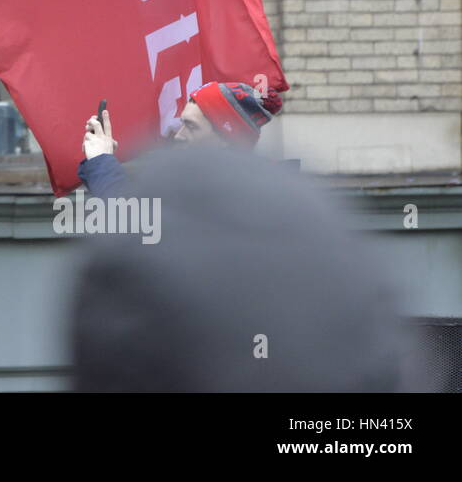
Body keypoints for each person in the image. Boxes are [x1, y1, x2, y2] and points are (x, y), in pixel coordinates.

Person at [70, 145, 423, 391]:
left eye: (190, 124)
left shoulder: (248, 224)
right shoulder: (290, 215)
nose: (177, 133)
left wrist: (102, 165)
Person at [78, 81, 279, 198]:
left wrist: (101, 161)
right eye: (182, 123)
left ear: (226, 139)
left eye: (191, 126)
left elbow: (133, 220)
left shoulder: (224, 193)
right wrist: (102, 158)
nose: (180, 135)